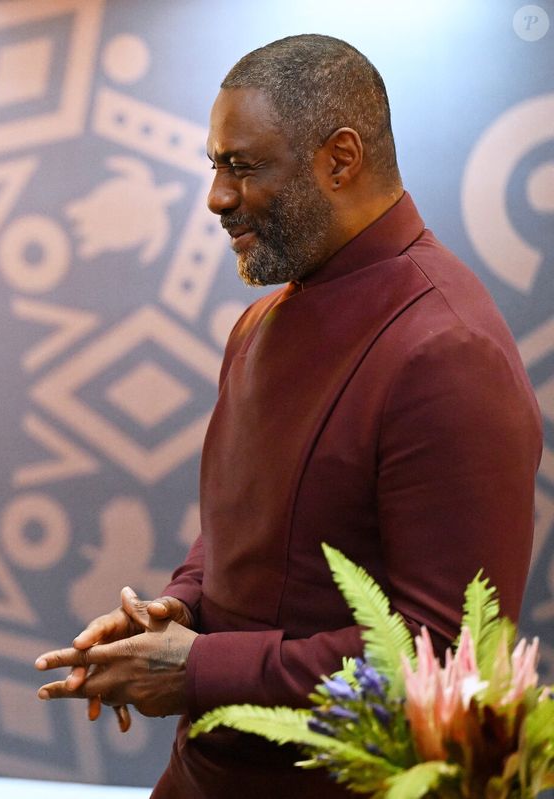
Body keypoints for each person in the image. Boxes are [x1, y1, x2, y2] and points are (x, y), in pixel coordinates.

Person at [35, 33, 542, 796]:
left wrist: (200, 665)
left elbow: (446, 656)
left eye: (242, 167)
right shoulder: (263, 319)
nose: (217, 197)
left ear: (340, 160)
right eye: (214, 165)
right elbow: (249, 531)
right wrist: (184, 604)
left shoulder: (447, 349)